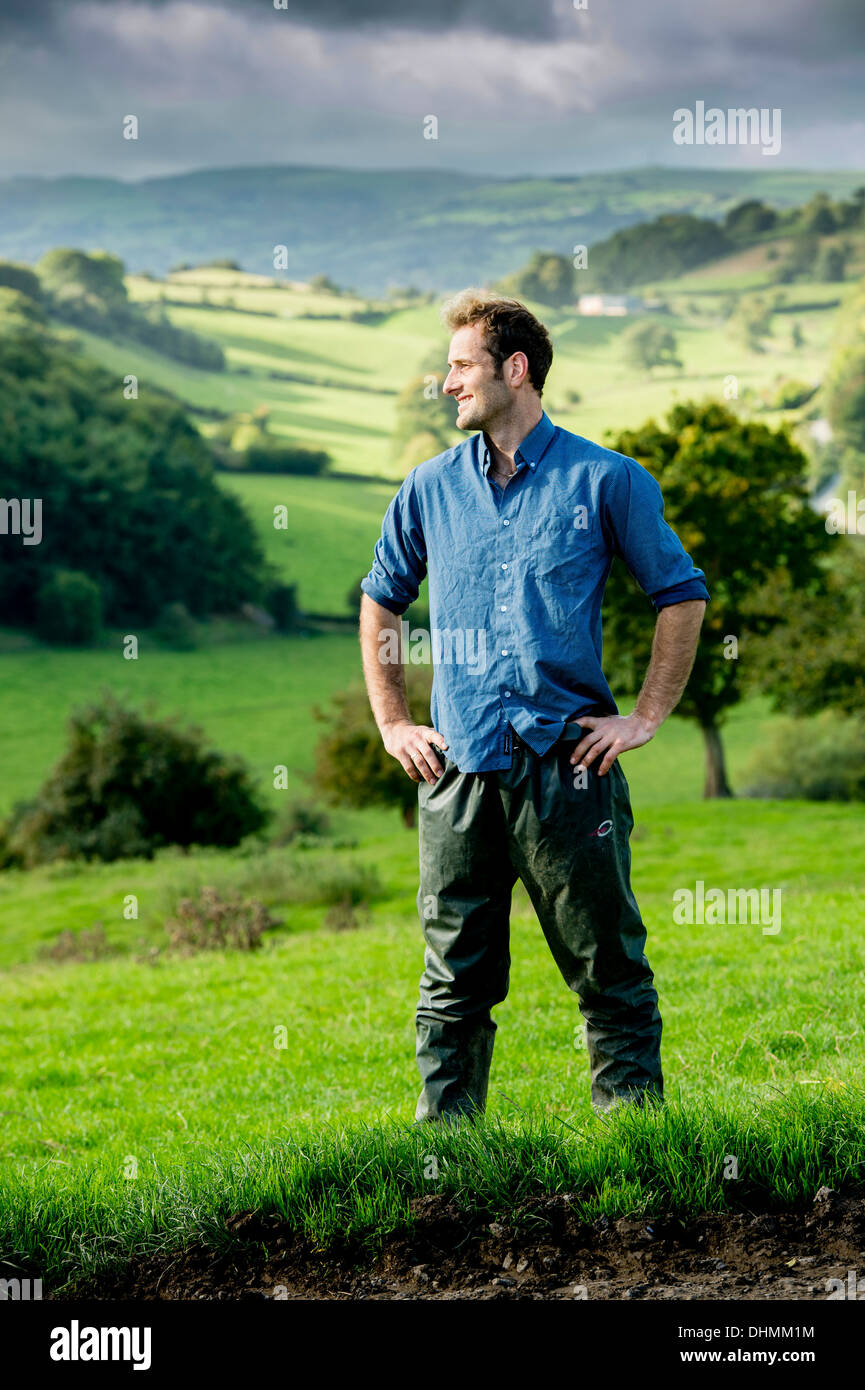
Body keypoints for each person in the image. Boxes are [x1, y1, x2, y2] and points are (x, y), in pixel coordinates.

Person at [359, 290, 709, 1121]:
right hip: (458, 769)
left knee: (609, 973)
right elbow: (380, 601)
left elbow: (680, 595)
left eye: (461, 366)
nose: (447, 383)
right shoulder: (428, 488)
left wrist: (645, 717)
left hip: (568, 770)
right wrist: (393, 722)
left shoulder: (608, 479)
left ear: (514, 369)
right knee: (452, 984)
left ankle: (635, 1142)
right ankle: (449, 1158)